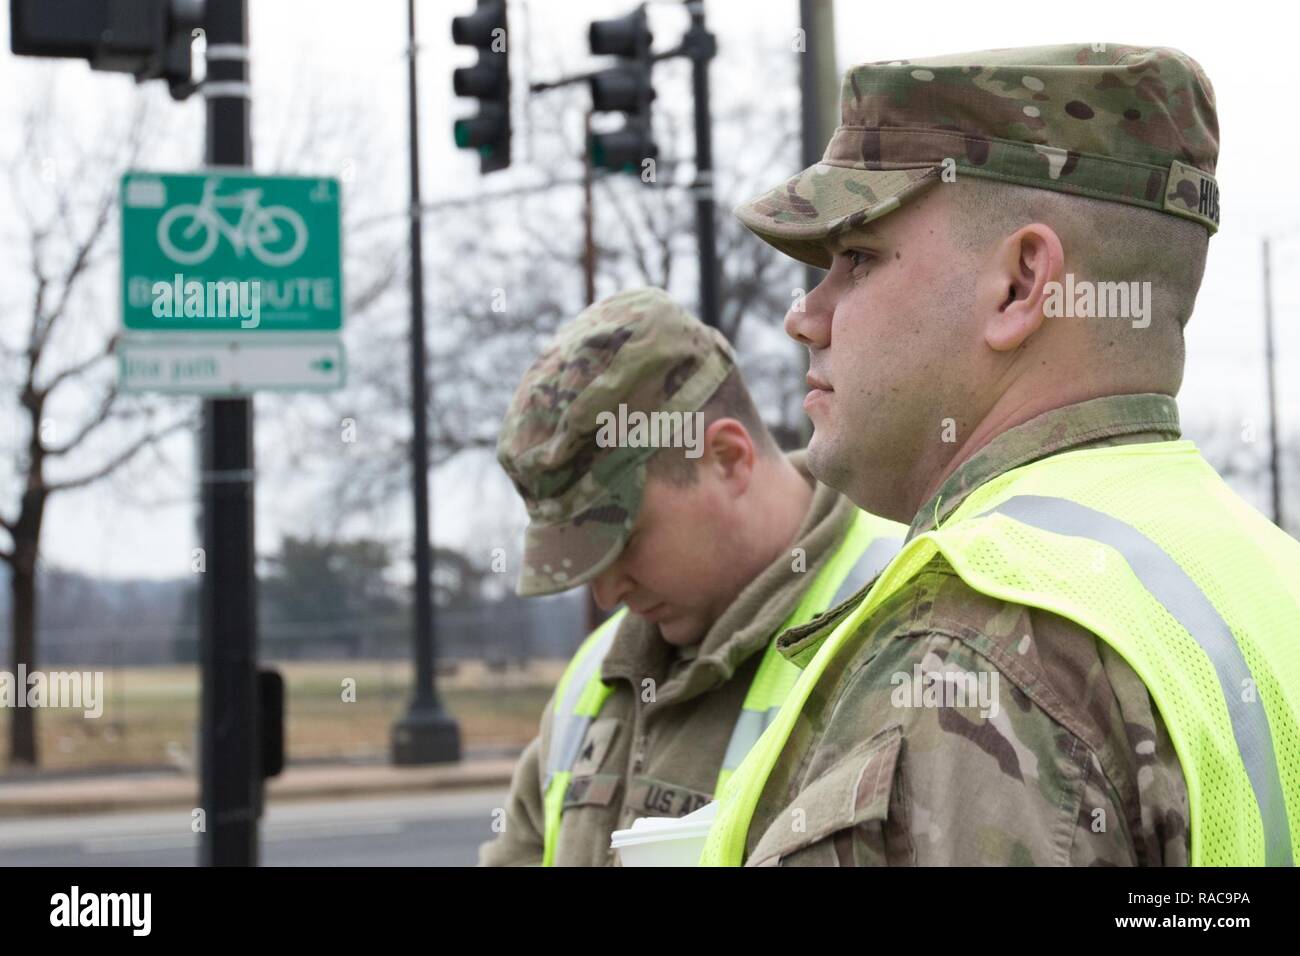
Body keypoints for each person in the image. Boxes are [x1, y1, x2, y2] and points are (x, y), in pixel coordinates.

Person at [700, 43, 1300, 867]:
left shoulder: (976, 654)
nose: (806, 317)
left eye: (857, 259)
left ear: (1020, 286)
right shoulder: (1266, 579)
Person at [478, 287, 905, 866]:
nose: (606, 593)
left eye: (623, 541)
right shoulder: (594, 679)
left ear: (728, 458)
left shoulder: (902, 621)